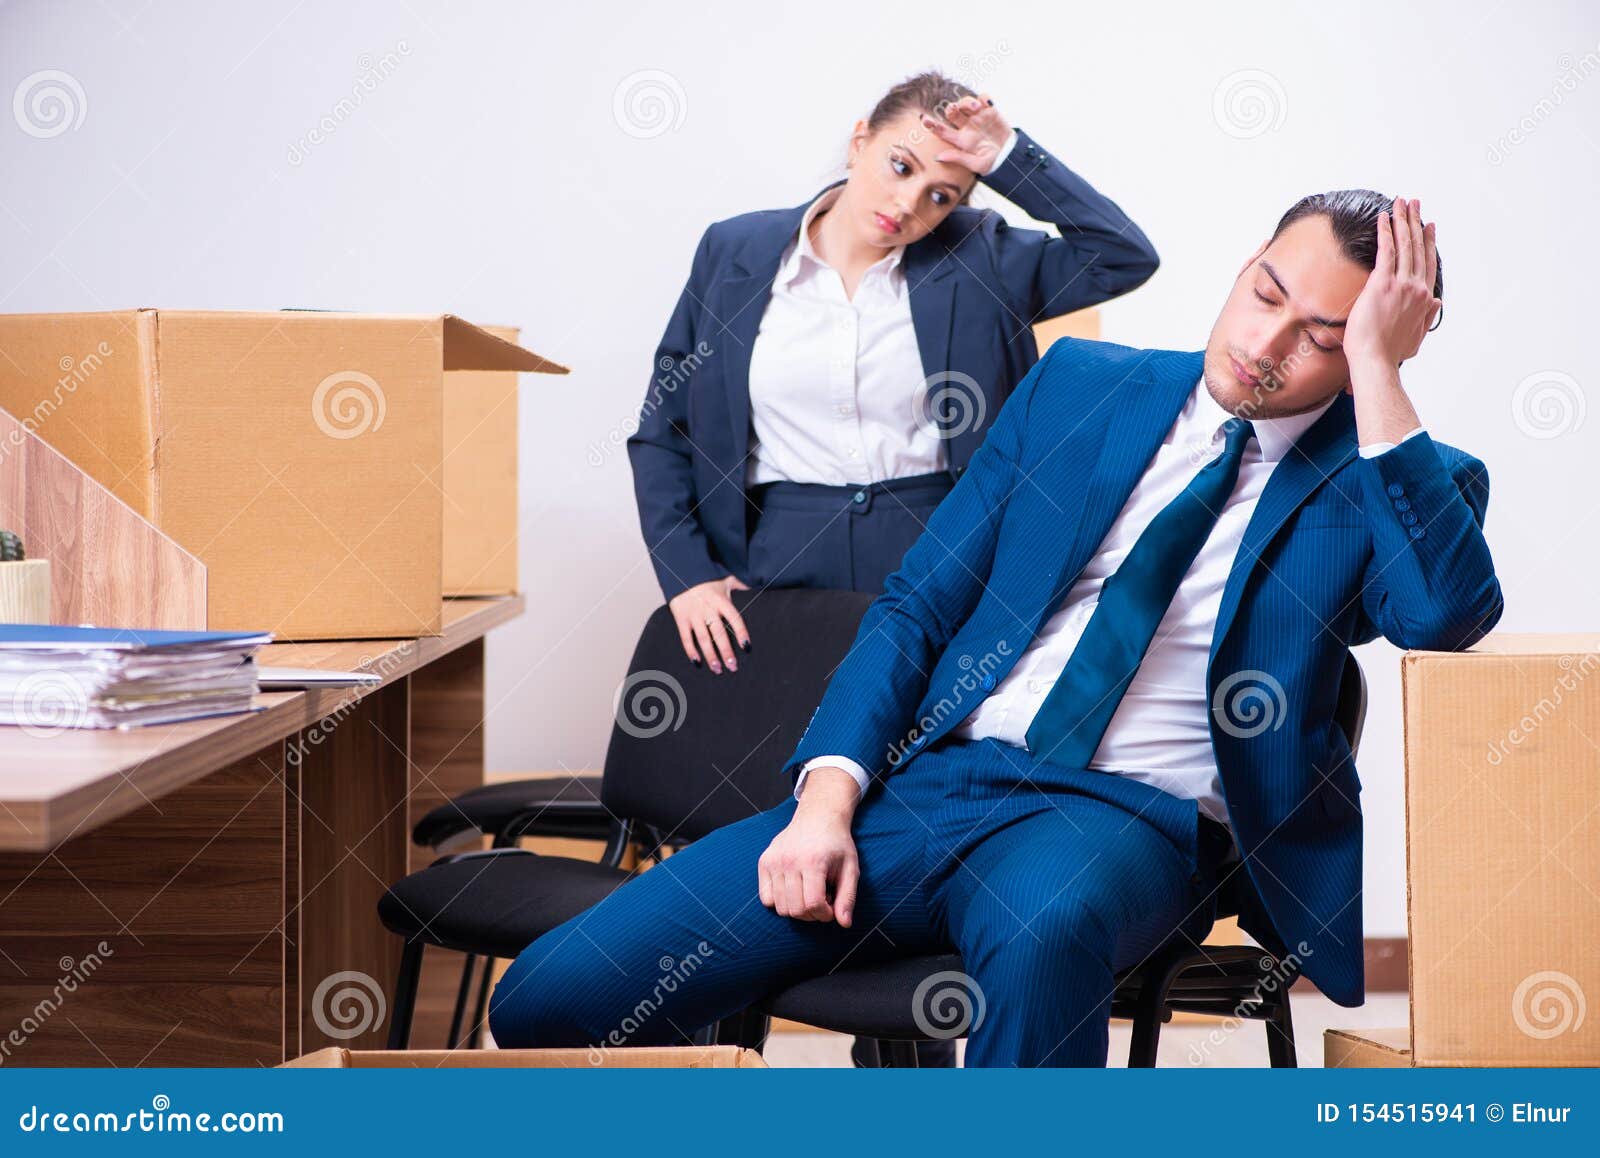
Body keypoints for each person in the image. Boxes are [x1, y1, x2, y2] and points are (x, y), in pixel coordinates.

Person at [493, 191, 1502, 1066]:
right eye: (1266, 293)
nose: (1264, 345)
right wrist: (828, 797)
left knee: (1043, 931)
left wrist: (1376, 375)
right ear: (1245, 265)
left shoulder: (1403, 473)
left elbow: (1443, 616)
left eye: (1322, 337)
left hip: (1125, 820)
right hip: (930, 785)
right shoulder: (1080, 387)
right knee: (552, 999)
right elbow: (917, 604)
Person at [627, 71, 1159, 676]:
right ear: (860, 142)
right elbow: (663, 433)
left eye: (942, 195)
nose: (909, 204)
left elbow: (1122, 254)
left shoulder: (982, 256)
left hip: (941, 549)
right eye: (901, 166)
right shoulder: (734, 253)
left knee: (918, 757)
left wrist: (1008, 158)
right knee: (780, 751)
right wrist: (687, 576)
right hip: (775, 558)